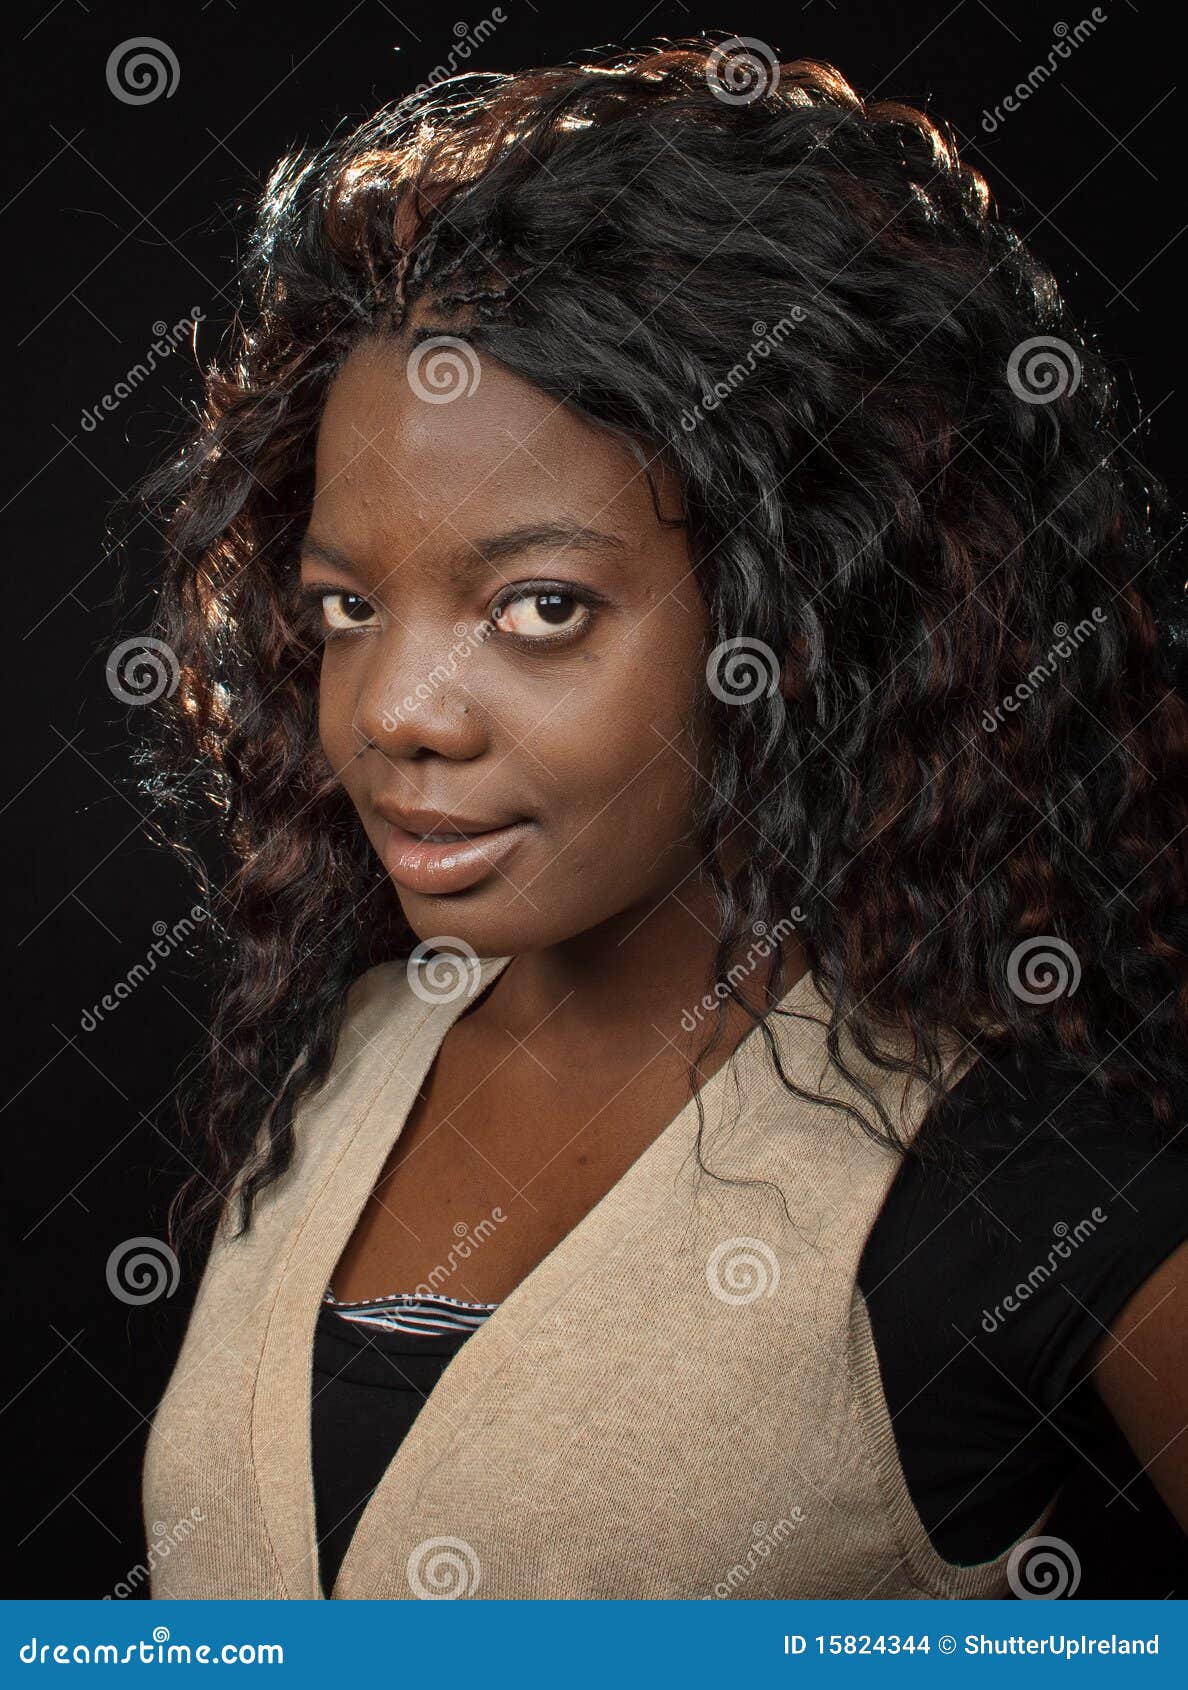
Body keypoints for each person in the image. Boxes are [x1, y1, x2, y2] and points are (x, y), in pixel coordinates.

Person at [131, 38, 1188, 1600]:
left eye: (541, 605)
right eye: (349, 604)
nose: (397, 712)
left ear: (800, 618)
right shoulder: (337, 1058)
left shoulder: (1019, 1192)